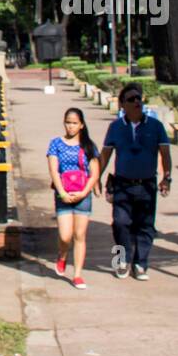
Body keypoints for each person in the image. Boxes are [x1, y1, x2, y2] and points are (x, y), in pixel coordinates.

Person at [99, 83, 171, 280]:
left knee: (145, 225)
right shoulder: (115, 127)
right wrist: (95, 177)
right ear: (122, 104)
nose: (137, 102)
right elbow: (105, 155)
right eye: (131, 99)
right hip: (122, 184)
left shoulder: (155, 126)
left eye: (139, 98)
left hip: (147, 184)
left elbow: (165, 153)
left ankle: (141, 264)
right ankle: (121, 260)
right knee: (120, 223)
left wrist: (167, 177)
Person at [47, 107, 101, 289]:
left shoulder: (88, 146)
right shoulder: (56, 144)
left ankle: (77, 274)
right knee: (65, 235)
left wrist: (85, 192)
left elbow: (94, 173)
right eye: (68, 122)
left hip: (82, 195)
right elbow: (54, 170)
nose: (70, 126)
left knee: (80, 235)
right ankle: (62, 255)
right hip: (63, 194)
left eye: (74, 123)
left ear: (82, 125)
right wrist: (62, 192)